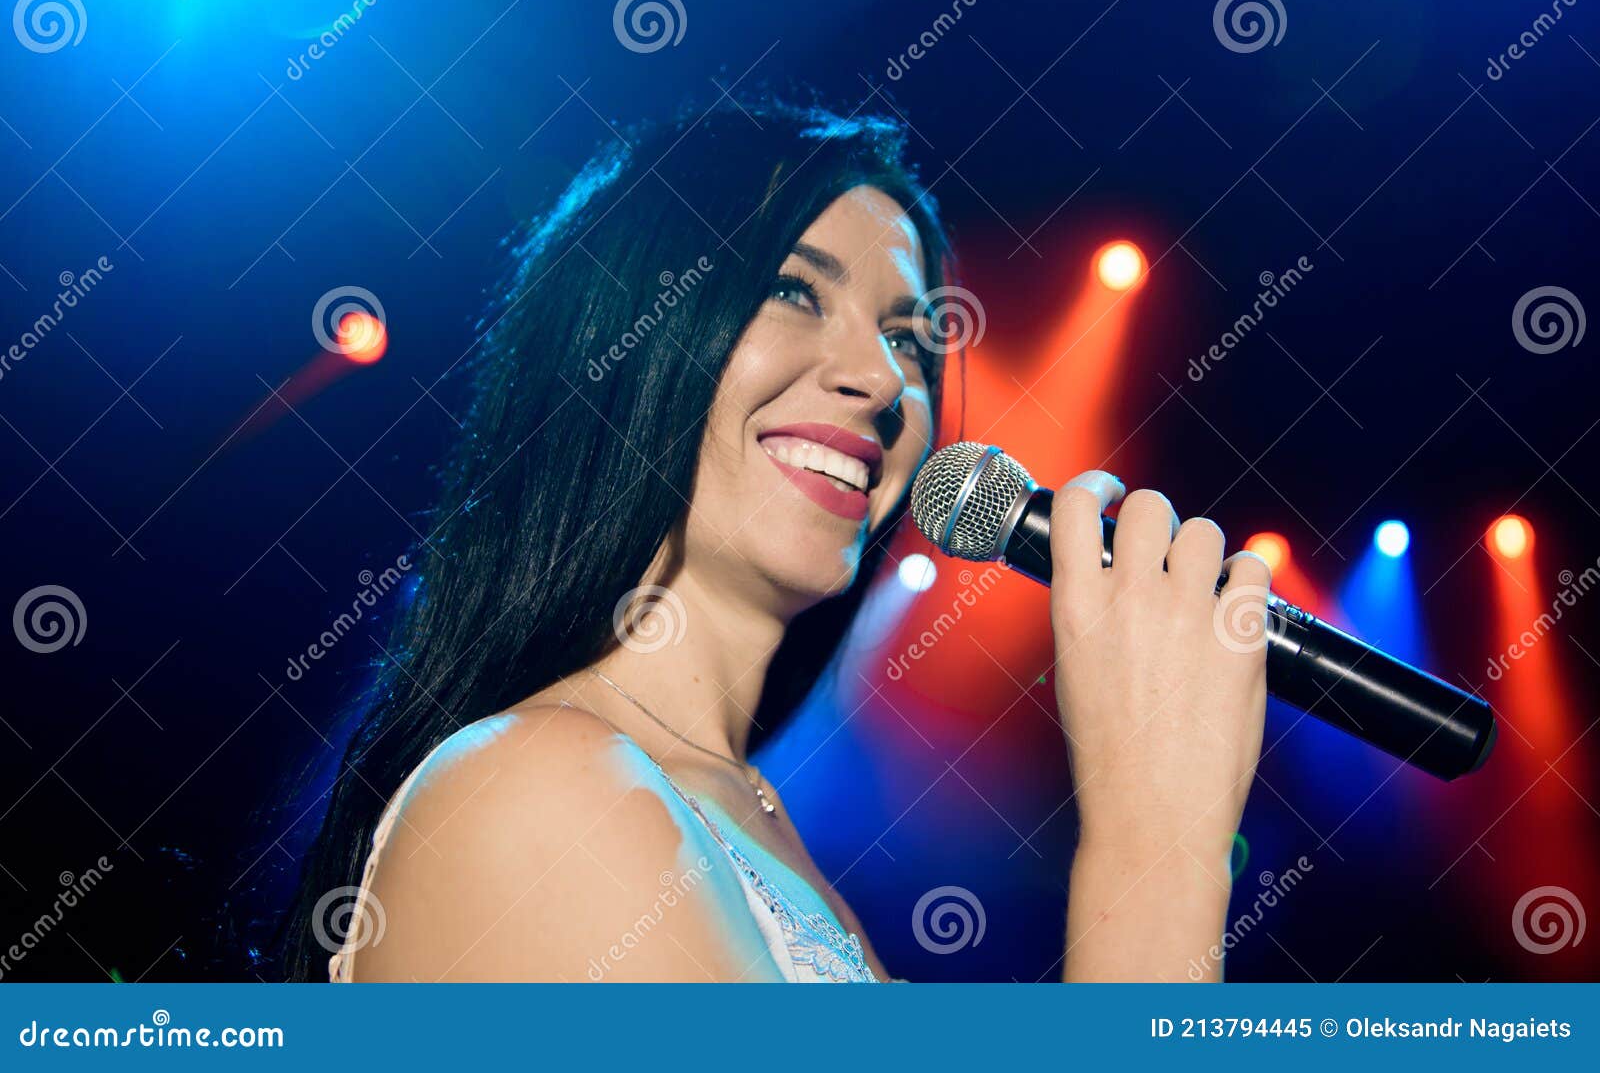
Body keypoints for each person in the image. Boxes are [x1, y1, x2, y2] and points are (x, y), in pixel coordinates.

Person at [286, 98, 1270, 982]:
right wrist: (1156, 849)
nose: (884, 381)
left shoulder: (751, 827)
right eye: (796, 291)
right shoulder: (536, 792)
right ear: (626, 334)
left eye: (911, 340)